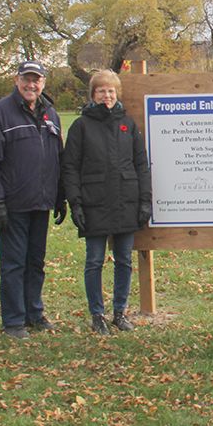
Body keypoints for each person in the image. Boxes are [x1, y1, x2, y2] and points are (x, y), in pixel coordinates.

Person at [0, 61, 66, 339]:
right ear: (17, 81)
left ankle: (34, 313)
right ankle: (13, 320)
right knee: (13, 264)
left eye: (37, 80)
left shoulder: (50, 113)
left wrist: (60, 197)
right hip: (13, 204)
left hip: (42, 202)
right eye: (27, 79)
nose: (32, 85)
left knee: (35, 262)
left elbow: (58, 158)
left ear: (43, 83)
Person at [62, 70, 151, 335]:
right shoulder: (81, 126)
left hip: (126, 201)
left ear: (117, 93)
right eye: (101, 91)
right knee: (94, 261)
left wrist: (144, 200)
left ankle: (120, 312)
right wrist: (75, 203)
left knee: (124, 260)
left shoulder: (128, 123)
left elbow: (141, 164)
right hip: (94, 202)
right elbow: (70, 167)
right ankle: (97, 314)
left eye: (111, 91)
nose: (106, 95)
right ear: (93, 95)